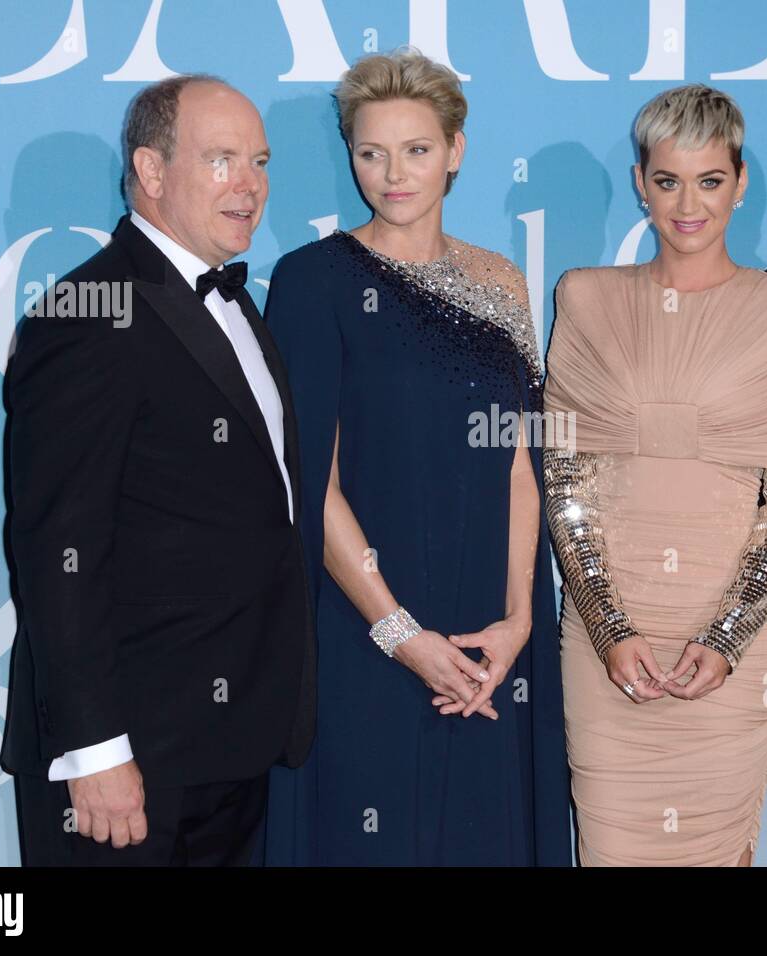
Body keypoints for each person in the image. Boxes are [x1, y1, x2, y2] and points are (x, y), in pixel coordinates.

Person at [261, 48, 571, 866]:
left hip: (488, 642)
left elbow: (518, 465)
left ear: (457, 150)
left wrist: (519, 622)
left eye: (417, 150)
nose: (392, 174)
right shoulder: (311, 279)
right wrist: (399, 633)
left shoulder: (502, 282)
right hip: (363, 625)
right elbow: (308, 479)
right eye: (370, 152)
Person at [0, 75, 316, 865]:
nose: (250, 184)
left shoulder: (240, 307)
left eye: (260, 161)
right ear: (149, 170)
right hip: (127, 760)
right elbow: (55, 550)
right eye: (220, 159)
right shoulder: (89, 315)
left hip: (232, 748)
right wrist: (96, 750)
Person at [544, 84, 767, 866]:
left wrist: (727, 638)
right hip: (609, 653)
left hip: (734, 651)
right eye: (668, 181)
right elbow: (565, 480)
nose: (687, 204)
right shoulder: (587, 298)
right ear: (641, 183)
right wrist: (610, 628)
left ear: (740, 182)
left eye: (709, 180)